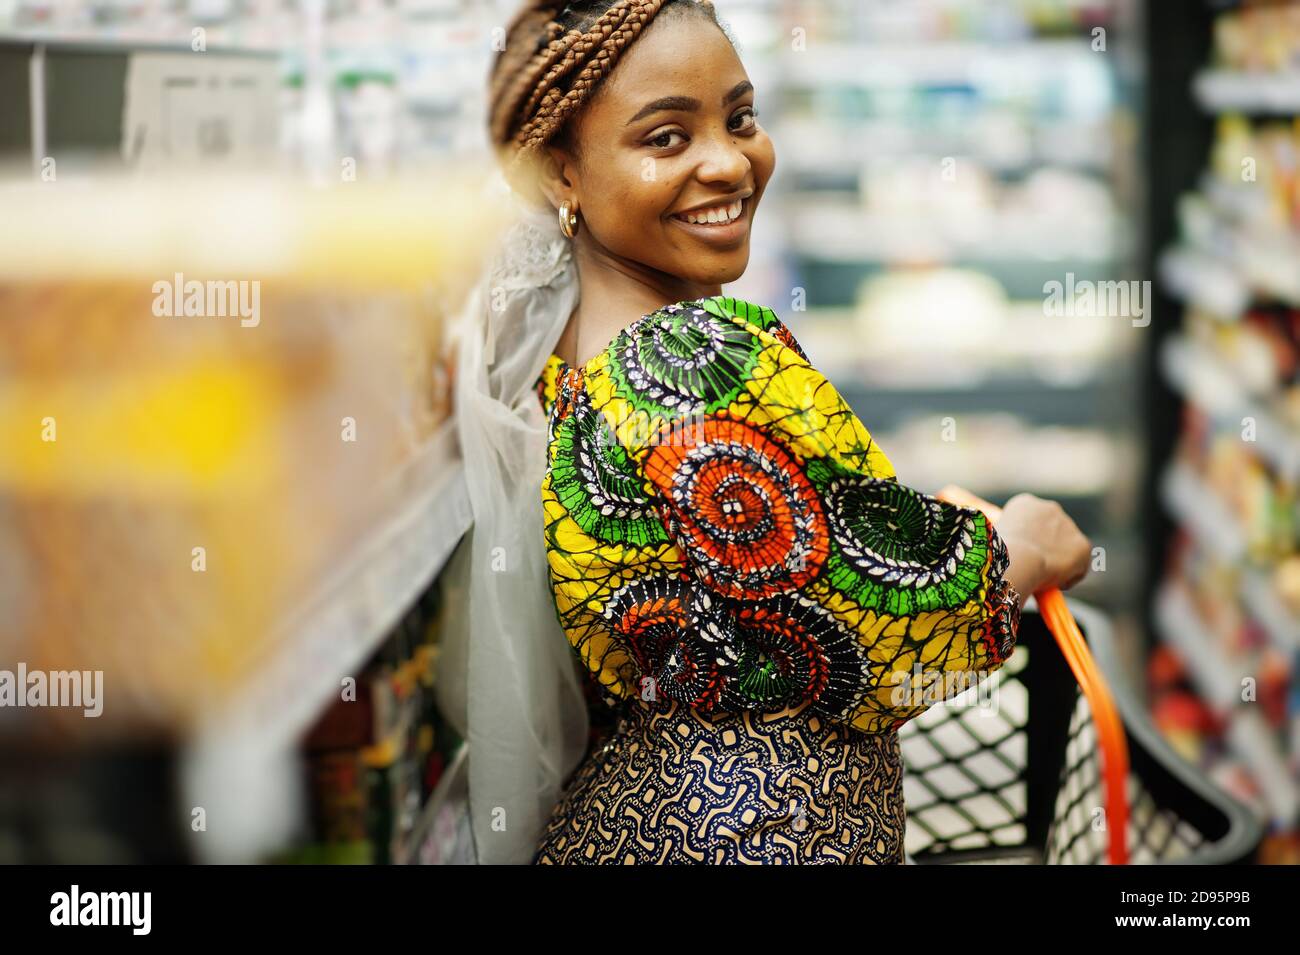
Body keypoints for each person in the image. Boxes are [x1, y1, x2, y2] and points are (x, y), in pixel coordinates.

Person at [452, 0, 1092, 865]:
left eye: (740, 117)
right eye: (665, 138)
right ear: (561, 175)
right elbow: (877, 622)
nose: (729, 162)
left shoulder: (563, 358)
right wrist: (1023, 549)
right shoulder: (692, 356)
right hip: (762, 827)